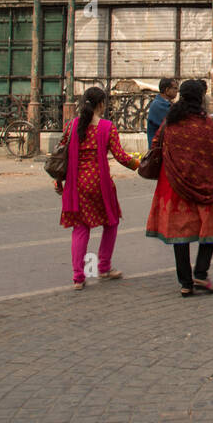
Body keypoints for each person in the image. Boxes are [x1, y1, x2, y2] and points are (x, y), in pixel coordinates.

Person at [145, 79, 213, 296]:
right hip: (204, 183)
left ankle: (185, 282)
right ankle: (200, 273)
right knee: (210, 227)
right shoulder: (205, 124)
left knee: (180, 234)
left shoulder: (170, 122)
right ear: (200, 98)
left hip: (174, 184)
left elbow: (156, 145)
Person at [56, 86, 140, 290]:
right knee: (110, 222)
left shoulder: (72, 126)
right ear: (101, 104)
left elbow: (60, 154)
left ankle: (78, 277)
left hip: (76, 184)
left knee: (80, 228)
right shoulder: (107, 127)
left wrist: (59, 181)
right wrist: (139, 165)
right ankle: (103, 266)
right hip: (100, 183)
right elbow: (120, 156)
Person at [147, 78, 177, 148]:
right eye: (174, 88)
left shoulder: (166, 103)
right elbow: (173, 124)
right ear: (167, 90)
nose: (176, 91)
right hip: (158, 149)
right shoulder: (159, 105)